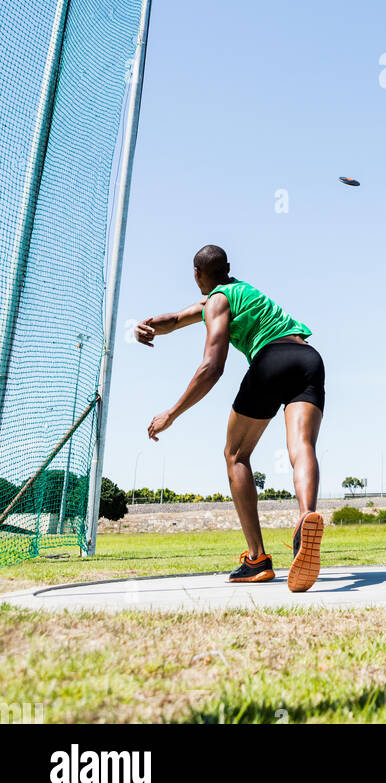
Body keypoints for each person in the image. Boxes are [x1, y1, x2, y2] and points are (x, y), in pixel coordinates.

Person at [136, 244, 324, 592]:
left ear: (196, 275)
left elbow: (212, 367)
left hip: (271, 360)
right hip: (308, 358)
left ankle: (257, 559)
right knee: (301, 445)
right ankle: (305, 517)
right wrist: (145, 325)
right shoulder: (242, 292)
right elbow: (176, 320)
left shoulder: (218, 301)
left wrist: (172, 414)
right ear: (228, 268)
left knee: (236, 455)